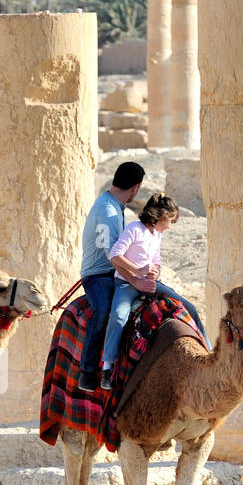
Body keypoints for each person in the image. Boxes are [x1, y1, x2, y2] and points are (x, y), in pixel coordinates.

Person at [98, 193, 209, 391]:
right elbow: (115, 255)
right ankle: (107, 367)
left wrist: (154, 272)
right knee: (118, 316)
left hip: (151, 283)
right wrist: (138, 271)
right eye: (170, 220)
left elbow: (155, 258)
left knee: (188, 307)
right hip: (126, 283)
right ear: (159, 216)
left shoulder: (157, 234)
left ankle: (207, 350)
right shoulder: (135, 229)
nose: (170, 225)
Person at [76, 162, 143, 393]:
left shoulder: (116, 206)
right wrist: (137, 276)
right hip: (99, 274)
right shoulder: (108, 211)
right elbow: (112, 256)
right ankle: (88, 371)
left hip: (114, 270)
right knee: (104, 310)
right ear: (136, 187)